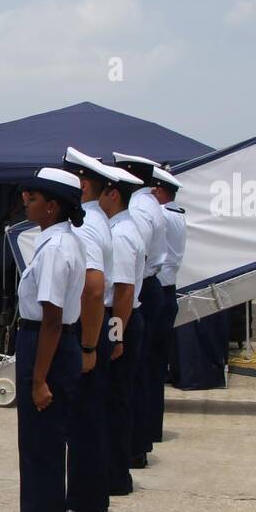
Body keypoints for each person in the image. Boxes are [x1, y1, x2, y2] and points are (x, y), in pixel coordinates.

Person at [2, 168, 86, 512]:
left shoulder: (55, 248)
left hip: (45, 344)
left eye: (32, 199)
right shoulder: (62, 240)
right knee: (44, 449)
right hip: (51, 343)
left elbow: (52, 316)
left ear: (52, 206)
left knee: (41, 451)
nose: (26, 204)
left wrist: (38, 380)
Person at [60, 148, 128, 512]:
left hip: (87, 327)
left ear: (83, 183)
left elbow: (94, 287)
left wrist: (87, 346)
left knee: (82, 418)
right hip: (99, 326)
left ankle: (85, 502)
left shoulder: (86, 225)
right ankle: (93, 495)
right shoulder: (101, 221)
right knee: (91, 414)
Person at [112, 152, 168, 469]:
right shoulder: (150, 207)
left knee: (130, 378)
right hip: (145, 287)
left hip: (137, 292)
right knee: (143, 373)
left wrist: (115, 334)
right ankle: (140, 442)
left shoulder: (135, 213)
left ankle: (132, 448)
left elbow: (124, 284)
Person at [100, 164, 145, 496]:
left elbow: (124, 290)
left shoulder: (121, 234)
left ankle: (115, 477)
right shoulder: (121, 228)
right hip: (121, 320)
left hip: (121, 321)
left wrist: (116, 335)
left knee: (114, 402)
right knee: (113, 400)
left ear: (112, 194)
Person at [152, 166, 186, 443]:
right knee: (155, 366)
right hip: (168, 291)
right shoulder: (176, 214)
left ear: (161, 191)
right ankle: (152, 427)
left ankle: (147, 429)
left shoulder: (161, 215)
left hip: (157, 292)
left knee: (146, 366)